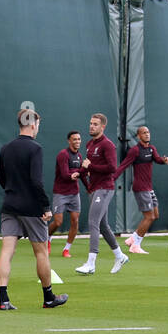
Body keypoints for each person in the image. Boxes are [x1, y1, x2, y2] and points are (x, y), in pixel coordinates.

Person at [0, 108, 67, 310]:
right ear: (33, 125)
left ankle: (3, 299)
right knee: (41, 252)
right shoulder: (36, 148)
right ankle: (49, 297)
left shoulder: (5, 148)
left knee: (6, 252)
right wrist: (45, 205)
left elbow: (1, 177)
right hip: (32, 208)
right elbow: (36, 181)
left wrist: (12, 191)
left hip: (10, 205)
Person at [74, 113, 129, 275]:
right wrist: (79, 172)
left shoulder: (108, 145)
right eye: (91, 123)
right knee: (103, 226)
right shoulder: (90, 144)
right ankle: (120, 255)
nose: (92, 126)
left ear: (102, 127)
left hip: (105, 188)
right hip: (94, 188)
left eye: (95, 124)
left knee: (93, 222)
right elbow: (87, 166)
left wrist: (90, 167)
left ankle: (91, 263)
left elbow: (112, 168)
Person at [118, 125, 168, 255]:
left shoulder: (152, 149)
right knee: (149, 216)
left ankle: (132, 238)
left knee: (155, 215)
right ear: (139, 136)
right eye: (144, 133)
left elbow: (157, 159)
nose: (147, 134)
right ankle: (136, 245)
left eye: (148, 132)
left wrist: (164, 160)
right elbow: (123, 166)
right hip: (140, 188)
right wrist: (111, 178)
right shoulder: (135, 151)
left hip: (149, 188)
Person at [50, 131, 84, 257]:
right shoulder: (63, 155)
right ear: (69, 141)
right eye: (74, 139)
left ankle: (66, 249)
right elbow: (65, 175)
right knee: (58, 222)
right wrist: (76, 173)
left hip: (74, 193)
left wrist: (85, 173)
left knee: (75, 221)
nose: (77, 142)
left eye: (79, 139)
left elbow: (81, 173)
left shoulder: (79, 156)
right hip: (60, 192)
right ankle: (47, 239)